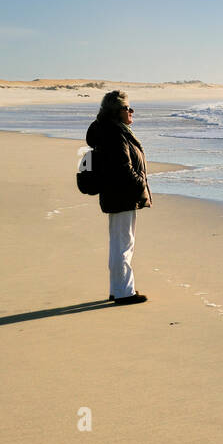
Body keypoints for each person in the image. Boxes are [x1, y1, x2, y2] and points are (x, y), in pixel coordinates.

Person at [86, 90, 152, 304]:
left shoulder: (111, 131)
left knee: (120, 243)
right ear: (117, 111)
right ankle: (124, 292)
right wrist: (140, 184)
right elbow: (123, 168)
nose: (131, 111)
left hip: (117, 194)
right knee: (123, 244)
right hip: (122, 194)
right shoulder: (115, 134)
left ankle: (118, 288)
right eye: (127, 108)